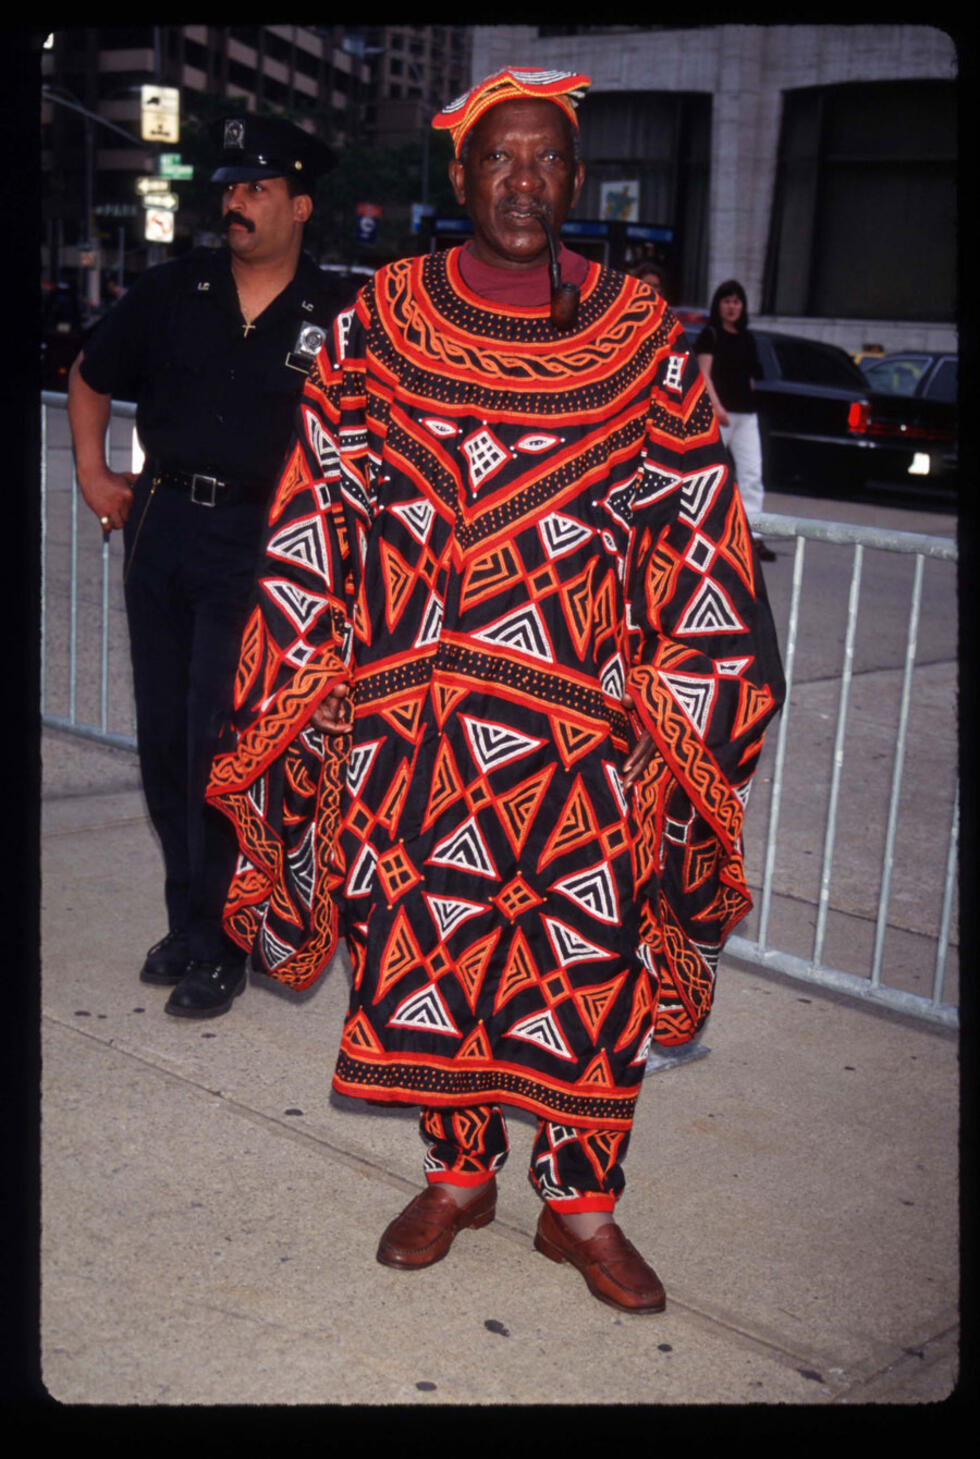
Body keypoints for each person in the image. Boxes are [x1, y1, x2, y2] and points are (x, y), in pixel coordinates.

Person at [206, 69, 785, 1312]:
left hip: (583, 734)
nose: (523, 183)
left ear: (575, 180)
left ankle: (580, 1208)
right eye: (499, 160)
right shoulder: (378, 325)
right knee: (430, 943)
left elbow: (696, 531)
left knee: (588, 962)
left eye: (547, 161)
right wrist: (311, 673)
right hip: (411, 726)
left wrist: (675, 704)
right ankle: (458, 1177)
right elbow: (318, 506)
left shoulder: (643, 339)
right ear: (461, 176)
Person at [67, 115, 359, 1019]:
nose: (236, 202)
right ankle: (188, 921)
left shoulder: (337, 314)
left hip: (264, 547)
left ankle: (224, 941)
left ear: (300, 206)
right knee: (164, 742)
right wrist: (93, 472)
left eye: (257, 189)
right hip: (162, 529)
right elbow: (89, 374)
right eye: (231, 188)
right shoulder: (173, 289)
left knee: (223, 745)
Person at [694, 280, 776, 561]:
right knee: (710, 473)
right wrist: (716, 407)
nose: (732, 307)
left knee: (752, 474)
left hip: (746, 416)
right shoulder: (710, 335)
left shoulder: (748, 338)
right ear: (718, 305)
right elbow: (703, 375)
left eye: (736, 301)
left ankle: (754, 536)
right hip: (719, 415)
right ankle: (702, 532)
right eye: (727, 301)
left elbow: (751, 377)